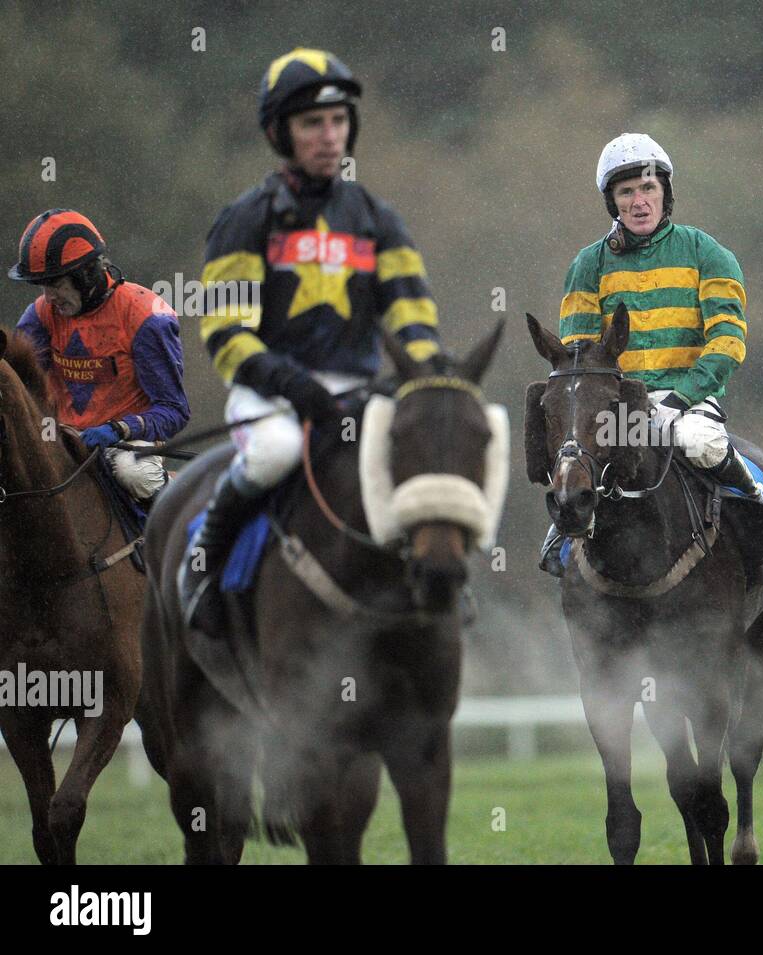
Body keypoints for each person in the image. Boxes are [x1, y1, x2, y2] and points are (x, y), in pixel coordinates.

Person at [180, 47, 441, 629]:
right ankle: (202, 565)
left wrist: (430, 374)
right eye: (312, 124)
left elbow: (412, 316)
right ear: (280, 133)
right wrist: (296, 387)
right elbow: (225, 333)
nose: (329, 137)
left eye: (339, 121)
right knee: (274, 452)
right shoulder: (245, 220)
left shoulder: (378, 218)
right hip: (270, 396)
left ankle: (443, 585)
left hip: (359, 392)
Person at [539, 133, 763, 576]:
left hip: (690, 402)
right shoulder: (588, 265)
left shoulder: (707, 253)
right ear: (613, 203)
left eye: (648, 189)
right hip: (617, 408)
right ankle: (562, 537)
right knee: (574, 462)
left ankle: (758, 516)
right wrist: (624, 405)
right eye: (627, 192)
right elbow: (578, 357)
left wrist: (678, 400)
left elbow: (728, 343)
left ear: (665, 194)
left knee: (699, 443)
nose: (639, 201)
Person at [9, 209, 189, 505]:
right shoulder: (40, 316)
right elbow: (21, 388)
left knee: (137, 474)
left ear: (86, 275)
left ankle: (183, 531)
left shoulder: (146, 318)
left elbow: (173, 411)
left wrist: (118, 428)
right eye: (42, 285)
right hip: (61, 438)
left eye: (55, 283)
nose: (48, 296)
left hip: (123, 443)